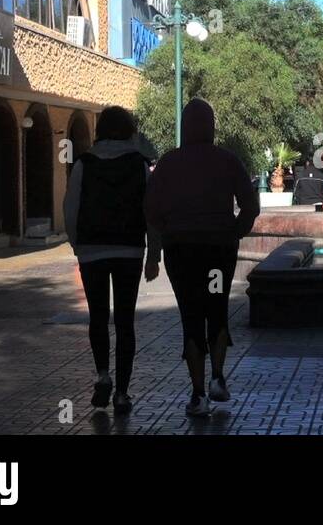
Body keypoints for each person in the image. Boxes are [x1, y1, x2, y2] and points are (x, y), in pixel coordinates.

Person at [145, 99, 260, 417]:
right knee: (217, 307)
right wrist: (235, 231)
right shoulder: (227, 160)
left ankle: (197, 394)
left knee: (191, 316)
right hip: (218, 250)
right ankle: (218, 378)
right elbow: (250, 205)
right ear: (211, 126)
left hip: (181, 252)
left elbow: (150, 209)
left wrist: (168, 233)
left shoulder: (169, 163)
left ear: (184, 126)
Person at [63, 106, 160, 415]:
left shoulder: (83, 164)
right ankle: (121, 393)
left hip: (93, 249)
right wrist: (154, 255)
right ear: (129, 129)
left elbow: (70, 208)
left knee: (98, 316)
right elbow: (151, 212)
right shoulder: (139, 165)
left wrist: (78, 245)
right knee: (125, 322)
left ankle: (102, 374)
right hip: (129, 249)